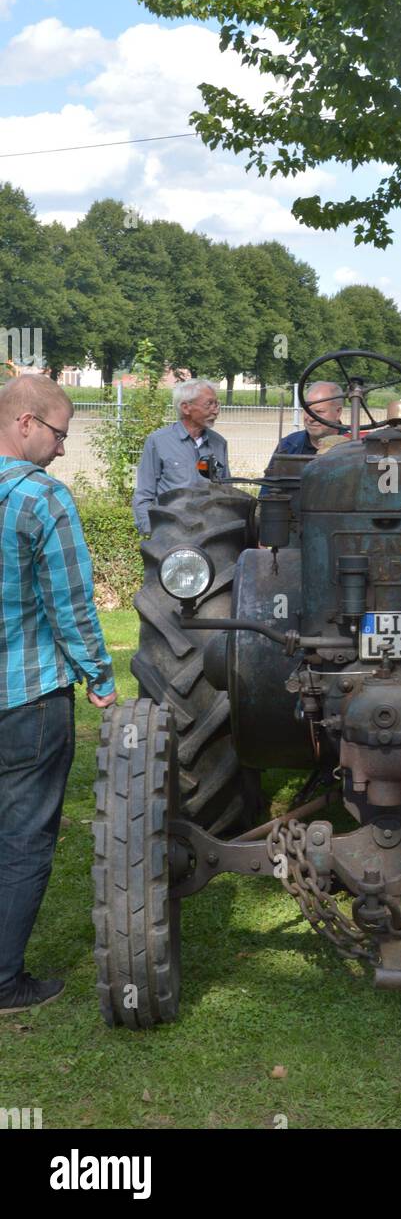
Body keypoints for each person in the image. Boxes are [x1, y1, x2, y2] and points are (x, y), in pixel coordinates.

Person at [0, 376, 116, 1014]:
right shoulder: (41, 499)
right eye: (60, 434)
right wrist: (99, 677)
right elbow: (70, 607)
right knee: (21, 836)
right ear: (25, 423)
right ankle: (3, 983)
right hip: (27, 701)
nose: (63, 450)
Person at [132, 379, 229, 536]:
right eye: (209, 404)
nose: (215, 411)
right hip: (170, 534)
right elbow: (144, 495)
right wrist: (152, 531)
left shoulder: (219, 444)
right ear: (186, 407)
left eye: (217, 404)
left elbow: (226, 493)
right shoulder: (158, 441)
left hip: (210, 534)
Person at [267, 381, 347, 458]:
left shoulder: (353, 448)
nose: (311, 418)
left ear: (338, 412)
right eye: (307, 410)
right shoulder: (288, 445)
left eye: (319, 412)